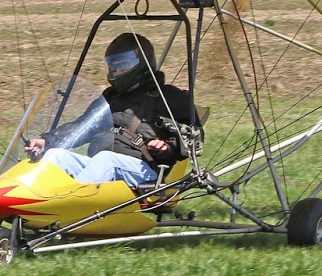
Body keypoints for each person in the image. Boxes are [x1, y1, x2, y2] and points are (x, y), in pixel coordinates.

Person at [25, 32, 200, 187]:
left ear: (142, 62)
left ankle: (66, 203)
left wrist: (166, 147)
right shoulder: (111, 97)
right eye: (112, 65)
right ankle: (27, 203)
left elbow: (192, 138)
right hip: (100, 166)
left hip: (144, 168)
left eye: (123, 64)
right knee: (55, 156)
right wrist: (47, 141)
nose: (116, 71)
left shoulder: (170, 96)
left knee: (106, 160)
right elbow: (84, 126)